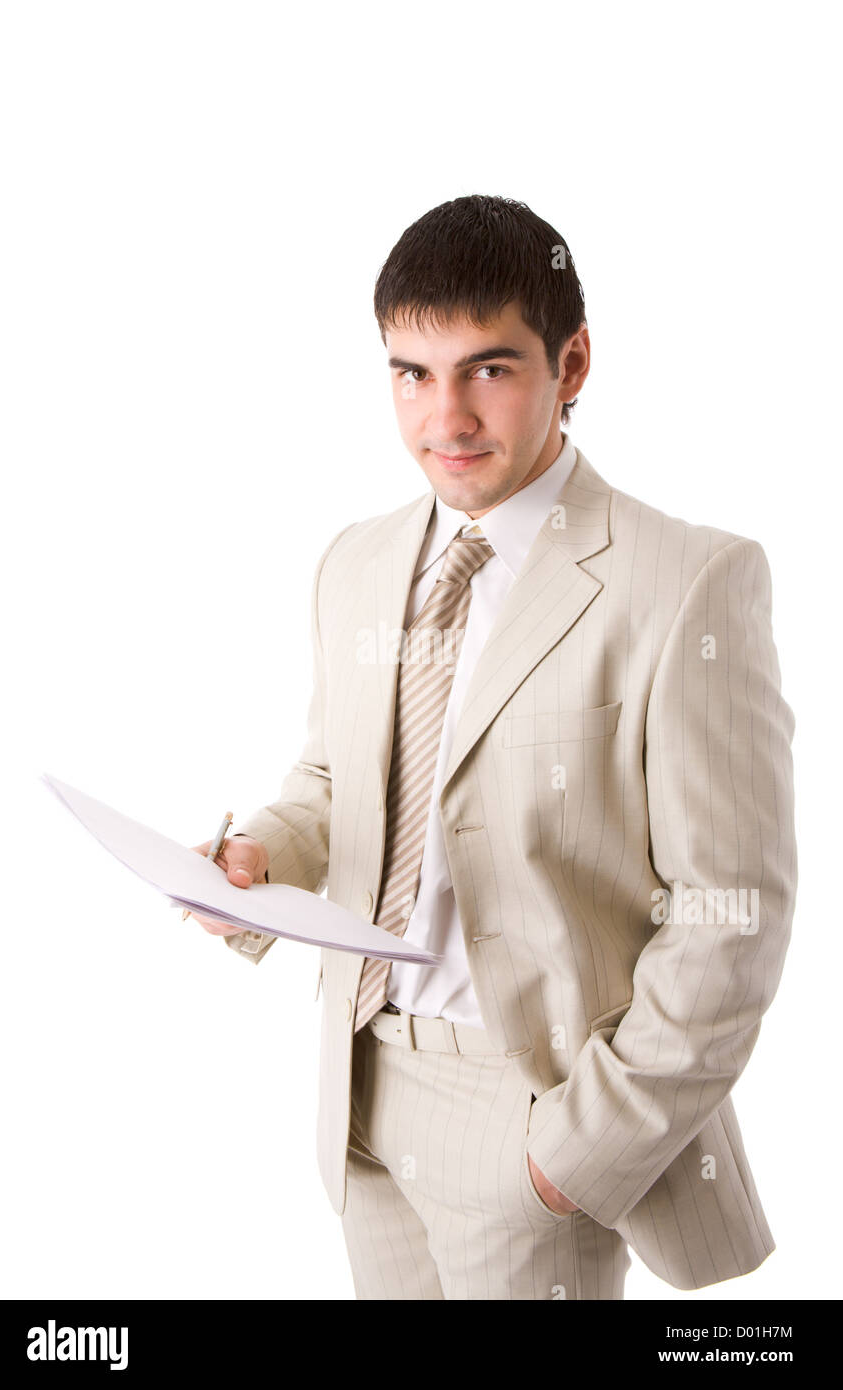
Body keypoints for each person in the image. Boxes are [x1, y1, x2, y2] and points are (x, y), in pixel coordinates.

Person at [188, 194, 796, 1300]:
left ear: (572, 363)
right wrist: (261, 858)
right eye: (411, 373)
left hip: (529, 1111)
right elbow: (335, 778)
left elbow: (732, 911)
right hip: (360, 1093)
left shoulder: (684, 582)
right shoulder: (356, 562)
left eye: (489, 369)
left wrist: (574, 1156)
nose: (446, 416)